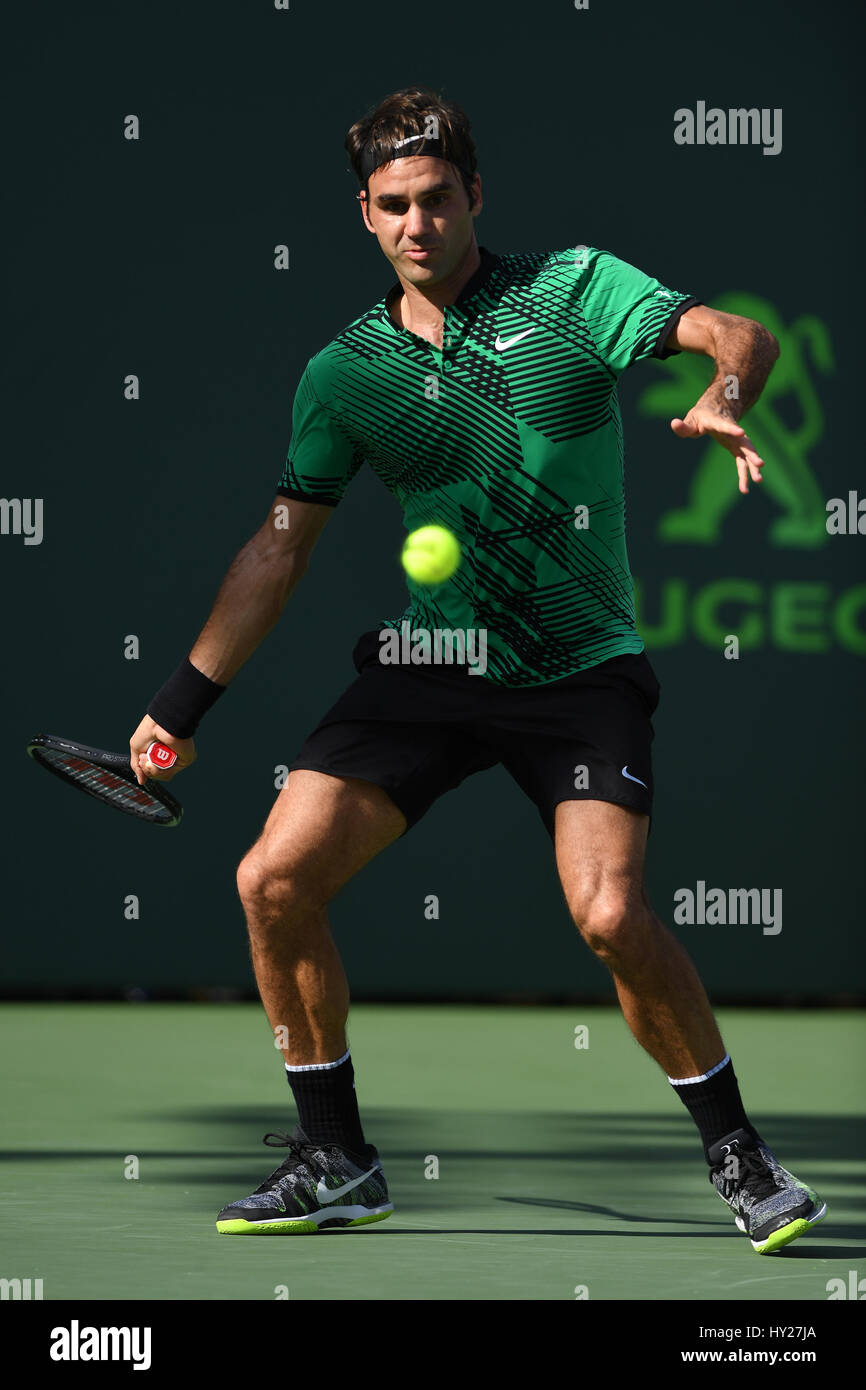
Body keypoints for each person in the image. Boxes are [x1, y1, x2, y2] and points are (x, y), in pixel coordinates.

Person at [129, 86, 826, 1253]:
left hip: (579, 671)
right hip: (433, 665)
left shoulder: (573, 291)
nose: (417, 224)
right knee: (272, 879)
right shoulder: (343, 373)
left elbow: (737, 335)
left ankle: (740, 1157)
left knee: (607, 913)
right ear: (364, 213)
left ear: (474, 196)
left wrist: (721, 393)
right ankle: (336, 1156)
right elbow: (279, 547)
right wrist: (179, 706)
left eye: (436, 199)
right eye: (393, 205)